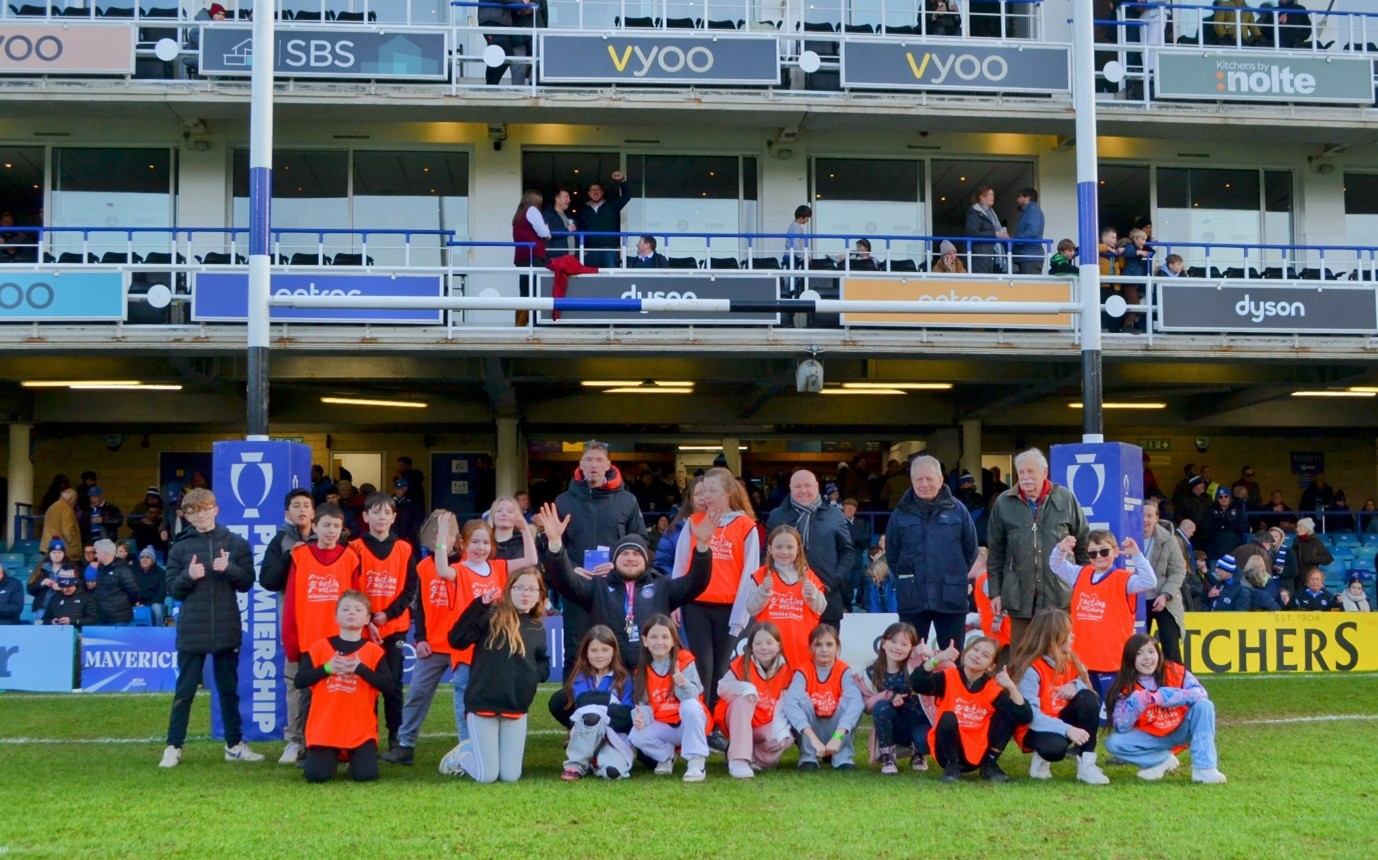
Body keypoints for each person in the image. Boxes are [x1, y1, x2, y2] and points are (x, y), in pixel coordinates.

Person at [542, 502, 713, 670]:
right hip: (609, 670)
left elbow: (695, 583)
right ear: (614, 560)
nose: (630, 558)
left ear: (645, 560)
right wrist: (556, 544)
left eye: (636, 554)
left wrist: (703, 547)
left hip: (652, 670)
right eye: (624, 553)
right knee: (561, 699)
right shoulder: (598, 587)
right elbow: (565, 582)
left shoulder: (662, 586)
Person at [160, 488, 261, 768]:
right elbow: (172, 590)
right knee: (185, 691)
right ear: (187, 515)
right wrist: (188, 576)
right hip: (193, 628)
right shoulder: (180, 547)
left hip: (227, 626)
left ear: (215, 510)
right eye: (194, 512)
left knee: (229, 691)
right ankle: (173, 746)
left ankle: (234, 745)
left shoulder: (237, 543)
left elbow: (248, 582)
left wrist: (229, 569)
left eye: (205, 510)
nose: (200, 516)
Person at [439, 569, 550, 783]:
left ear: (539, 595)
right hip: (483, 704)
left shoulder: (537, 627)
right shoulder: (491, 615)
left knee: (510, 776)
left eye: (531, 589)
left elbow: (542, 661)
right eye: (519, 588)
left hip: (515, 707)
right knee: (486, 776)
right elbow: (456, 639)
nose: (525, 593)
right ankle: (462, 755)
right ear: (509, 590)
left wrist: (532, 677)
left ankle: (482, 752)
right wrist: (479, 605)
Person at [553, 440, 648, 678]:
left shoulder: (627, 500)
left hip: (613, 586)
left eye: (598, 460)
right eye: (588, 460)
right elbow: (553, 545)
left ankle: (618, 706)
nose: (593, 465)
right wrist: (571, 569)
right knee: (575, 650)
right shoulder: (563, 501)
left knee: (616, 647)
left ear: (608, 465)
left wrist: (618, 567)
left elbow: (641, 543)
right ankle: (571, 709)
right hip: (577, 585)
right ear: (580, 465)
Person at [442, 517, 538, 744]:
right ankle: (466, 745)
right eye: (475, 542)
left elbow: (532, 559)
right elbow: (441, 570)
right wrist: (440, 541)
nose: (481, 548)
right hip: (466, 643)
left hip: (491, 647)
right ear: (463, 544)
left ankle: (486, 744)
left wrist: (524, 528)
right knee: (463, 693)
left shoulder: (498, 566)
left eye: (486, 543)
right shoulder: (458, 570)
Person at [986, 448, 1090, 652]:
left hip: (1058, 596)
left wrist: (1084, 585)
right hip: (1019, 597)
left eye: (1030, 472)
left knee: (1059, 655)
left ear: (1044, 472)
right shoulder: (1003, 503)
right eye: (1021, 472)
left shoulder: (1065, 498)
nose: (1025, 477)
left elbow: (1084, 542)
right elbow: (995, 553)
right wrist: (996, 593)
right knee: (1021, 657)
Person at [673, 467, 759, 710]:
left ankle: (715, 719)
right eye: (704, 490)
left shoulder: (746, 526)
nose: (707, 495)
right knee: (701, 666)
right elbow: (680, 565)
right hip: (695, 605)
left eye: (713, 490)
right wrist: (676, 602)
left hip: (729, 608)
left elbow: (749, 574)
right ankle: (701, 719)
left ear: (729, 492)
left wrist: (740, 615)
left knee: (720, 670)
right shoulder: (694, 521)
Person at [296, 591, 395, 783]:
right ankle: (328, 756)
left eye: (358, 609)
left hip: (359, 730)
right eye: (346, 609)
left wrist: (361, 670)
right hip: (325, 728)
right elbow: (299, 680)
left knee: (366, 776)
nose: (352, 613)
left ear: (367, 619)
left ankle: (353, 757)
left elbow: (390, 687)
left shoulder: (374, 651)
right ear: (335, 616)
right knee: (317, 777)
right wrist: (327, 668)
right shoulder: (320, 646)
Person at [348, 492, 420, 753]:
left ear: (394, 517)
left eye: (386, 512)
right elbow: (350, 588)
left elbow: (411, 586)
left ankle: (395, 735)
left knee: (392, 684)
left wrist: (388, 614)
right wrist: (367, 619)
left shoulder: (404, 548)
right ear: (365, 516)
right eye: (376, 512)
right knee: (364, 684)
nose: (381, 517)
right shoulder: (355, 547)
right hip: (363, 629)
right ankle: (365, 735)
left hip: (393, 628)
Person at [386, 510, 459, 765]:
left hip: (462, 647)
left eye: (445, 537)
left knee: (465, 700)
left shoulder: (464, 566)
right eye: (435, 538)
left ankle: (468, 747)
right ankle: (405, 744)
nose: (440, 543)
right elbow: (421, 606)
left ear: (456, 540)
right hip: (433, 645)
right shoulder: (424, 567)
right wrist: (420, 638)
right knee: (417, 694)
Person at [884, 454, 978, 650]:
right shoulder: (900, 513)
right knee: (912, 659)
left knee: (953, 660)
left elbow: (971, 550)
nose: (924, 484)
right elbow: (892, 554)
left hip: (951, 599)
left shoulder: (958, 510)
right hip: (913, 599)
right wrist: (907, 576)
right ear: (911, 480)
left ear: (941, 480)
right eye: (919, 479)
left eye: (929, 478)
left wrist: (952, 574)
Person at [1103, 634, 1226, 784]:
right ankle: (1161, 760)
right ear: (1130, 659)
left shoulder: (1174, 671)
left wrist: (1165, 696)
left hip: (1181, 728)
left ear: (1158, 653)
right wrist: (1137, 701)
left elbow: (1201, 693)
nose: (1147, 658)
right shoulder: (1124, 686)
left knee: (1205, 706)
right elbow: (1121, 726)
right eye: (1139, 653)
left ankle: (1204, 769)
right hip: (1151, 737)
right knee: (1113, 743)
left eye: (1151, 651)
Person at [1048, 530, 1157, 696]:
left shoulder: (1124, 579)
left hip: (1113, 660)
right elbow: (1056, 565)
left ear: (1114, 551)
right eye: (1092, 553)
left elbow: (1150, 582)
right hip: (1082, 658)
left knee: (1111, 712)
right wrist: (1060, 549)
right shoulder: (1080, 574)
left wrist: (1136, 556)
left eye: (1104, 551)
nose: (1098, 556)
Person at [910, 637, 1032, 782]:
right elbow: (917, 683)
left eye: (985, 655)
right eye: (975, 649)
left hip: (978, 752)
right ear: (966, 652)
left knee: (1009, 712)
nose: (977, 655)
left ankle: (989, 764)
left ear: (991, 666)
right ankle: (952, 767)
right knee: (948, 716)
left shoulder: (991, 687)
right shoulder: (949, 677)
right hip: (946, 750)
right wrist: (937, 659)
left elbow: (1024, 716)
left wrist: (1011, 687)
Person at [1009, 608, 1109, 785]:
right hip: (1034, 727)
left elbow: (1089, 691)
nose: (1073, 636)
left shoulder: (1071, 659)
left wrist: (1075, 685)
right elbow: (1031, 716)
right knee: (1055, 749)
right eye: (1067, 633)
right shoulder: (1031, 668)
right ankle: (1040, 756)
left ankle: (1087, 762)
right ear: (1051, 639)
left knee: (1088, 698)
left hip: (1060, 720)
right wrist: (1067, 729)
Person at [257, 487, 315, 764]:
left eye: (306, 505)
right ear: (287, 513)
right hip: (293, 624)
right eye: (296, 505)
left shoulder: (327, 536)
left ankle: (318, 740)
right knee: (294, 683)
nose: (302, 509)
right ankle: (293, 741)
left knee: (322, 684)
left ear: (313, 512)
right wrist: (289, 555)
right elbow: (267, 580)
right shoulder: (279, 541)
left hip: (325, 626)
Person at [763, 470, 855, 627]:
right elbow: (766, 553)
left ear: (817, 486)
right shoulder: (777, 516)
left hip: (826, 597)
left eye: (808, 485)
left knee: (824, 651)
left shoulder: (835, 516)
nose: (803, 490)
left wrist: (835, 577)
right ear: (790, 488)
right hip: (786, 602)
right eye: (798, 486)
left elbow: (847, 552)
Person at [628, 614, 712, 781]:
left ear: (673, 640)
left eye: (665, 637)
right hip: (666, 726)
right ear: (645, 641)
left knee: (690, 706)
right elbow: (643, 705)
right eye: (654, 637)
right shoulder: (641, 671)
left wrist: (682, 684)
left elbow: (695, 695)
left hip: (689, 723)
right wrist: (640, 717)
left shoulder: (684, 659)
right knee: (635, 735)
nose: (659, 642)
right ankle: (666, 756)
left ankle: (697, 760)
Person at [715, 621, 795, 779]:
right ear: (751, 646)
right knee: (744, 700)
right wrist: (743, 687)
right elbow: (722, 687)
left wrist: (782, 730)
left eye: (769, 642)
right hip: (739, 720)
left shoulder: (786, 669)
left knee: (780, 740)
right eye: (758, 643)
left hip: (763, 723)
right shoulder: (741, 664)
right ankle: (739, 759)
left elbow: (784, 703)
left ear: (778, 645)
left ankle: (749, 754)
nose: (764, 647)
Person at [740, 525, 827, 670]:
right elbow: (751, 609)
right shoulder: (761, 575)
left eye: (789, 547)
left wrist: (812, 595)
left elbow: (821, 608)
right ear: (770, 549)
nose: (784, 552)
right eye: (779, 547)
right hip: (769, 650)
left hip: (802, 649)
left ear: (798, 549)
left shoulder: (808, 576)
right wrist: (763, 591)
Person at [559, 625, 636, 781]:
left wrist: (597, 701)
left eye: (605, 650)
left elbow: (626, 715)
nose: (599, 655)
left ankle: (596, 760)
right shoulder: (581, 676)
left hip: (616, 734)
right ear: (586, 653)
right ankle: (576, 764)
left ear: (614, 651)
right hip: (588, 728)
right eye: (594, 650)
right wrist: (611, 701)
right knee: (591, 716)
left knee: (613, 773)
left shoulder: (623, 678)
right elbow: (582, 702)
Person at [782, 624, 862, 771]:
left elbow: (857, 703)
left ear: (837, 648)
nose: (824, 649)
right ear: (810, 649)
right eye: (818, 645)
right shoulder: (803, 671)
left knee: (851, 700)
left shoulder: (843, 670)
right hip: (812, 729)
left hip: (836, 729)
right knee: (800, 699)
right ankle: (808, 756)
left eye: (829, 644)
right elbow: (789, 703)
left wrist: (837, 737)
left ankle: (842, 756)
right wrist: (813, 739)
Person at [859, 621, 929, 773]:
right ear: (883, 643)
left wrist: (931, 655)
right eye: (893, 641)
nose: (897, 647)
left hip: (917, 720)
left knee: (924, 741)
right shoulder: (872, 671)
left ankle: (919, 752)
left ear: (912, 648)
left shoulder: (917, 664)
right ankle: (888, 756)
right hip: (893, 723)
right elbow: (867, 706)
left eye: (904, 644)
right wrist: (887, 695)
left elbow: (949, 669)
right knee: (881, 707)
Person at [1142, 501, 1188, 663]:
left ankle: (1176, 685)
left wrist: (1165, 595)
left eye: (1149, 515)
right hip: (1137, 601)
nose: (1145, 520)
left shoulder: (1168, 539)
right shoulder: (1128, 536)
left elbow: (1178, 571)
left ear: (1157, 518)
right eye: (1142, 515)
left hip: (1164, 599)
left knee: (1171, 648)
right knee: (1137, 649)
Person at [512, 189, 551, 326]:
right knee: (535, 290)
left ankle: (520, 322)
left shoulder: (518, 214)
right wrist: (547, 230)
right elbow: (543, 232)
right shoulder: (532, 210)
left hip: (521, 257)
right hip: (533, 255)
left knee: (524, 291)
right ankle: (532, 322)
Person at [579, 171, 631, 268]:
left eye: (598, 189)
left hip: (608, 251)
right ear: (589, 193)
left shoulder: (611, 206)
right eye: (592, 190)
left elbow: (626, 197)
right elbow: (580, 229)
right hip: (590, 252)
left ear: (602, 192)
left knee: (611, 279)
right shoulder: (583, 210)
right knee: (588, 281)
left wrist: (622, 180)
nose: (595, 192)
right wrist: (582, 249)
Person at [90, 540, 139, 626]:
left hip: (120, 619)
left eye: (97, 552)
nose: (95, 555)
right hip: (101, 617)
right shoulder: (100, 568)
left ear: (104, 553)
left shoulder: (123, 570)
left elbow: (134, 591)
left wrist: (122, 605)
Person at [27, 539, 75, 623]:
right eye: (54, 552)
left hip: (63, 609)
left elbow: (78, 588)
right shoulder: (41, 568)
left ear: (64, 554)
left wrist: (62, 588)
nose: (57, 555)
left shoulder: (71, 568)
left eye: (60, 552)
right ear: (49, 554)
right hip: (42, 609)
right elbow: (30, 589)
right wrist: (41, 584)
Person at [1282, 517, 1332, 595]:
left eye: (1300, 527)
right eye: (1297, 527)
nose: (1297, 529)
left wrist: (1314, 559)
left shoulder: (1315, 542)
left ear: (1307, 528)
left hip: (1310, 577)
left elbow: (1329, 558)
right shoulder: (1296, 541)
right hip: (1297, 577)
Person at [965, 187, 1007, 274]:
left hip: (994, 256)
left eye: (993, 195)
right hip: (981, 258)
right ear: (982, 197)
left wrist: (1003, 236)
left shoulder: (992, 213)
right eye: (989, 195)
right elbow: (972, 234)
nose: (993, 197)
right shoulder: (975, 213)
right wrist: (995, 235)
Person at [839, 498, 870, 609]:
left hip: (857, 560)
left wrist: (851, 536)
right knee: (843, 585)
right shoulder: (838, 522)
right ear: (842, 508)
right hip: (842, 560)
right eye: (847, 506)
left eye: (853, 507)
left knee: (855, 585)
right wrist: (857, 538)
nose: (850, 509)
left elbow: (866, 541)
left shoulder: (862, 523)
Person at [1011, 187, 1045, 275]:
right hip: (1028, 256)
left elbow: (1032, 231)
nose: (1017, 200)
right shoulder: (1029, 211)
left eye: (1019, 197)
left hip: (1030, 257)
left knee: (1030, 287)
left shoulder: (1033, 211)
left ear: (1027, 198)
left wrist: (1015, 240)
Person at [128, 486, 168, 558]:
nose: (151, 501)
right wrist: (141, 523)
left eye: (154, 499)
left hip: (158, 538)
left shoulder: (164, 507)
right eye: (150, 499)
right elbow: (130, 521)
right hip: (142, 535)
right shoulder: (139, 507)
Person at [133, 547, 168, 627]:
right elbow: (130, 590)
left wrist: (146, 604)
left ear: (153, 560)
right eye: (142, 557)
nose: (144, 559)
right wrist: (135, 602)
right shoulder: (133, 572)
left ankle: (157, 632)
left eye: (148, 557)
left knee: (157, 609)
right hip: (137, 603)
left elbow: (161, 594)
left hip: (154, 603)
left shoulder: (161, 573)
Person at [39, 489, 81, 554]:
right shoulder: (67, 509)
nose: (76, 503)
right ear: (70, 499)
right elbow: (68, 532)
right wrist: (75, 549)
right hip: (60, 550)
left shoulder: (51, 507)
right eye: (75, 500)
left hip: (47, 547)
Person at [544, 188, 577, 260]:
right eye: (566, 197)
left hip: (572, 257)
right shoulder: (548, 214)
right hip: (557, 257)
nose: (569, 200)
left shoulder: (569, 216)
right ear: (557, 199)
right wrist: (566, 229)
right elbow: (547, 232)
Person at [783, 205, 812, 272]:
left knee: (792, 276)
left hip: (788, 254)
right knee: (794, 277)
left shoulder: (793, 225)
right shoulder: (797, 227)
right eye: (807, 218)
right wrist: (803, 257)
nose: (807, 220)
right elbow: (796, 245)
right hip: (792, 256)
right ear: (801, 218)